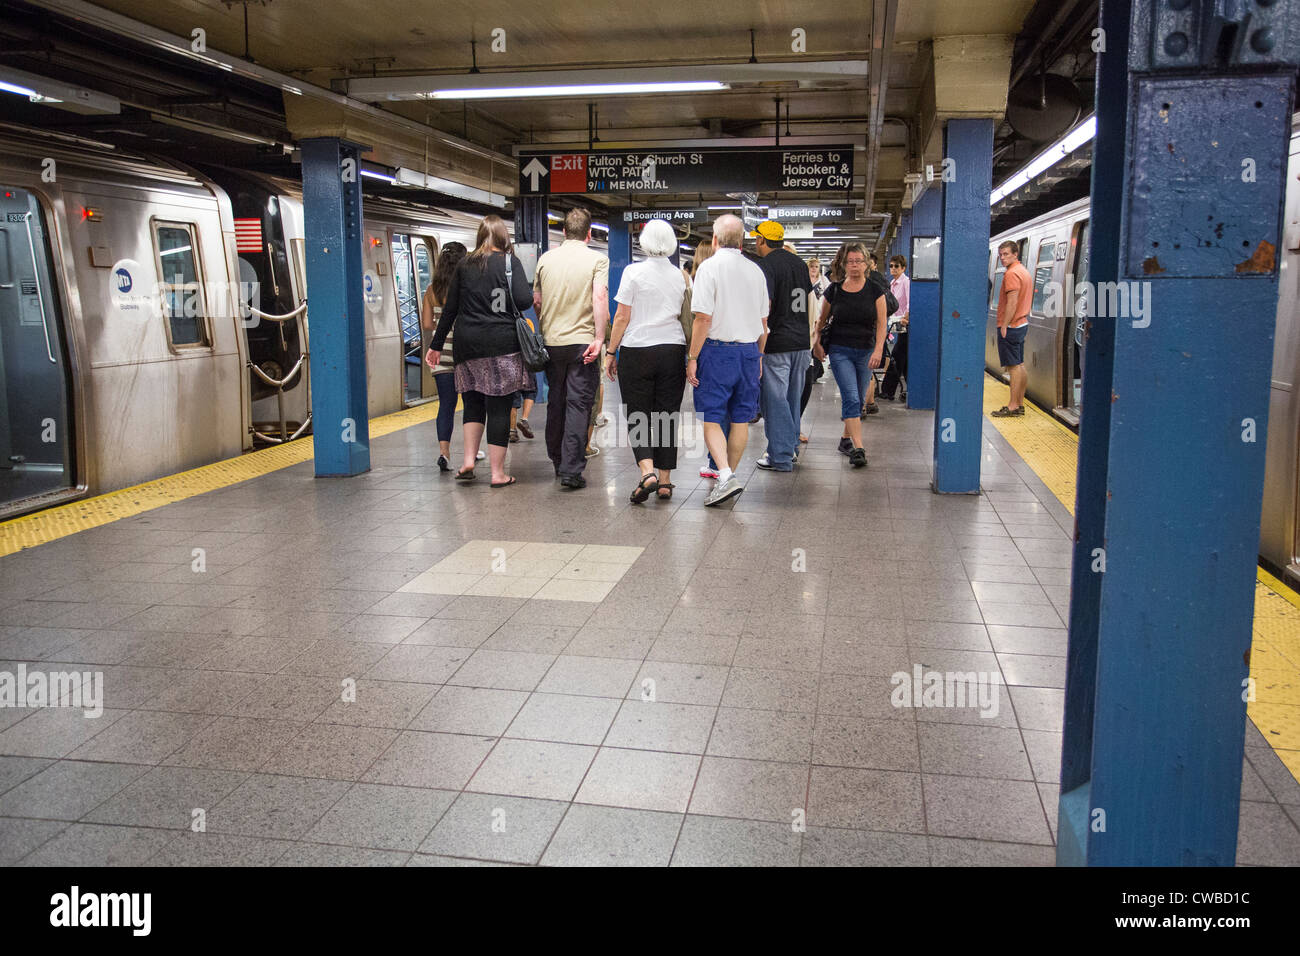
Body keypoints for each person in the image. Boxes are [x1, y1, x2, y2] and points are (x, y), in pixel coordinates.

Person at [429, 216, 533, 487]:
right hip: (502, 346)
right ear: (503, 238)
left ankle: (467, 461)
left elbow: (450, 309)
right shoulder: (511, 263)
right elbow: (523, 299)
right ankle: (498, 474)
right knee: (499, 408)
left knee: (472, 405)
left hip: (468, 346)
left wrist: (436, 346)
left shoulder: (464, 265)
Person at [687, 214, 769, 506]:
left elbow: (702, 318)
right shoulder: (756, 271)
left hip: (716, 352)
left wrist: (693, 357)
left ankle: (724, 475)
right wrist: (758, 356)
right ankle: (728, 478)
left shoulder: (709, 268)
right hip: (748, 351)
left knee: (711, 416)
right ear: (743, 241)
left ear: (715, 239)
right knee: (740, 418)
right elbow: (764, 322)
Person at [604, 219, 688, 503]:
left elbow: (622, 317)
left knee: (638, 414)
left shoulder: (633, 272)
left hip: (638, 349)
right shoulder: (680, 275)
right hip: (673, 349)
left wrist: (610, 351)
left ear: (644, 241)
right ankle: (664, 482)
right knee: (666, 415)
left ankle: (647, 472)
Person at [533, 208, 610, 489]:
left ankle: (556, 460)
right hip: (583, 343)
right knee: (578, 404)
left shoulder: (545, 259)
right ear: (589, 234)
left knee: (556, 401)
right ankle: (571, 469)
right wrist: (600, 338)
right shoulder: (597, 260)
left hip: (552, 342)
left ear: (564, 232)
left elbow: (537, 301)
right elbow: (599, 297)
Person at [813, 242, 885, 468]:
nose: (854, 265)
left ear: (867, 264)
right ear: (843, 264)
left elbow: (882, 323)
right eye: (850, 261)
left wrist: (879, 349)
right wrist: (816, 343)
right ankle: (858, 448)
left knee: (860, 399)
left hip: (866, 351)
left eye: (859, 261)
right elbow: (821, 321)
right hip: (840, 350)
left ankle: (845, 439)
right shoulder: (833, 290)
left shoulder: (875, 290)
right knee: (852, 398)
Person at [752, 220, 812, 472]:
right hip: (801, 342)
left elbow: (765, 306)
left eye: (756, 239)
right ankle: (791, 448)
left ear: (762, 241)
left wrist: (759, 346)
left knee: (774, 401)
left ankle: (781, 456)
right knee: (792, 399)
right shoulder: (798, 263)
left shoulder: (766, 266)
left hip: (777, 342)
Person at [422, 241, 468, 473]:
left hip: (440, 355)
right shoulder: (466, 287)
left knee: (446, 405)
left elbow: (428, 324)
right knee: (471, 405)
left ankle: (444, 453)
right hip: (465, 352)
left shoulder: (431, 290)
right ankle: (471, 452)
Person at [690, 239, 728, 480]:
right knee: (727, 411)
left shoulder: (701, 280)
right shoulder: (728, 278)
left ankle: (717, 464)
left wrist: (692, 356)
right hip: (735, 350)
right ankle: (720, 464)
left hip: (709, 349)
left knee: (712, 411)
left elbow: (700, 320)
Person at [992, 240, 1031, 417]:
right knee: (1020, 364)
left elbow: (1012, 302)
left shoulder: (1011, 274)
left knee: (1013, 367)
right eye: (1001, 254)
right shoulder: (1024, 272)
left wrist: (1005, 325)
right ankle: (1020, 403)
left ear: (1016, 254)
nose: (1002, 257)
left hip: (1012, 325)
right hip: (1022, 323)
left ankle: (1013, 405)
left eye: (1006, 254)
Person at [799, 257, 831, 442]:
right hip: (795, 339)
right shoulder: (801, 283)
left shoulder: (823, 284)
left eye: (816, 267)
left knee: (804, 383)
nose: (813, 269)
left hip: (810, 336)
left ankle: (795, 425)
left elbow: (819, 312)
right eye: (811, 266)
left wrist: (817, 338)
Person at [878, 254, 911, 401]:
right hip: (895, 324)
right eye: (891, 266)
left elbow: (910, 302)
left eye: (896, 266)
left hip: (905, 325)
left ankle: (887, 390)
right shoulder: (892, 283)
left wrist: (906, 317)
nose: (893, 269)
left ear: (903, 268)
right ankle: (908, 389)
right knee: (904, 358)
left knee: (897, 355)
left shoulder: (906, 282)